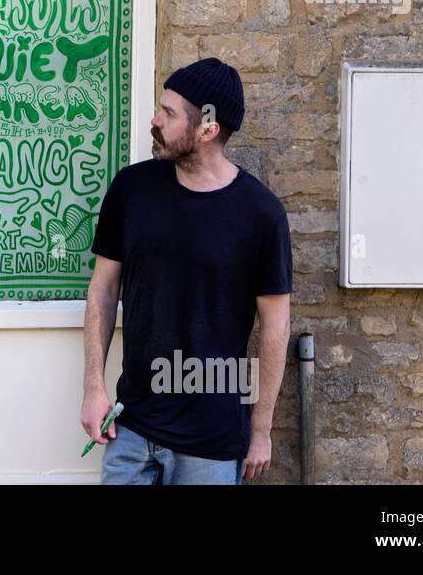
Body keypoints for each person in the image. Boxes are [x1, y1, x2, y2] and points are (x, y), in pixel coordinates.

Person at [81, 57, 293, 485]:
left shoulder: (260, 215)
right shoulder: (132, 190)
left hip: (209, 444)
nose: (155, 120)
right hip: (130, 428)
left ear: (208, 129)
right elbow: (103, 291)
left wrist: (261, 431)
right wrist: (93, 387)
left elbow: (276, 328)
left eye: (169, 113)